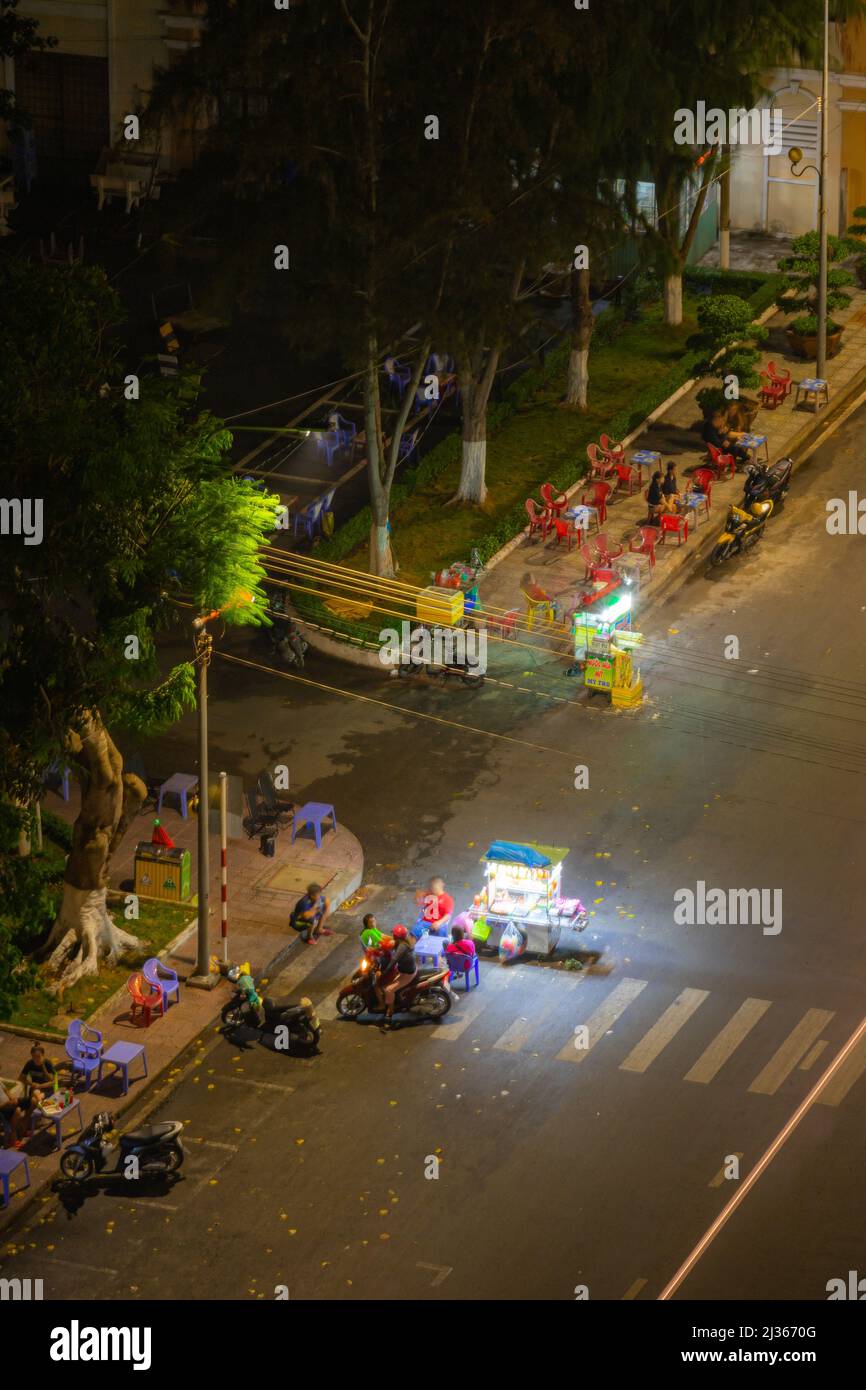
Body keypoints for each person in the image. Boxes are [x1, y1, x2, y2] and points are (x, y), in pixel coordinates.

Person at [378, 925, 417, 1028]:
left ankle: (390, 1013)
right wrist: (378, 950)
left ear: (398, 937)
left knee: (388, 990)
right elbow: (387, 944)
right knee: (387, 984)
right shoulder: (402, 942)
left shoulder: (402, 947)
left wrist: (385, 971)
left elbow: (394, 960)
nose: (393, 936)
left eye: (394, 935)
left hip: (407, 973)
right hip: (402, 969)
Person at [19, 1045, 58, 1110]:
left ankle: (34, 1114)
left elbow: (54, 1081)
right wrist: (31, 1084)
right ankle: (46, 1109)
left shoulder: (47, 1063)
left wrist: (40, 1086)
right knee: (35, 1096)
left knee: (34, 1100)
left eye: (38, 1057)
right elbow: (21, 1078)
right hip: (35, 1088)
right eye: (33, 1057)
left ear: (43, 1055)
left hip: (47, 1089)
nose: (36, 1059)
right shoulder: (30, 1063)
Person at [1, 1076, 30, 1148]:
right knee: (18, 1111)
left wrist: (13, 1098)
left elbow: (6, 1090)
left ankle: (23, 1125)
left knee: (28, 1102)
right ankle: (14, 1136)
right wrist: (7, 1103)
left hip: (9, 1103)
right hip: (2, 1109)